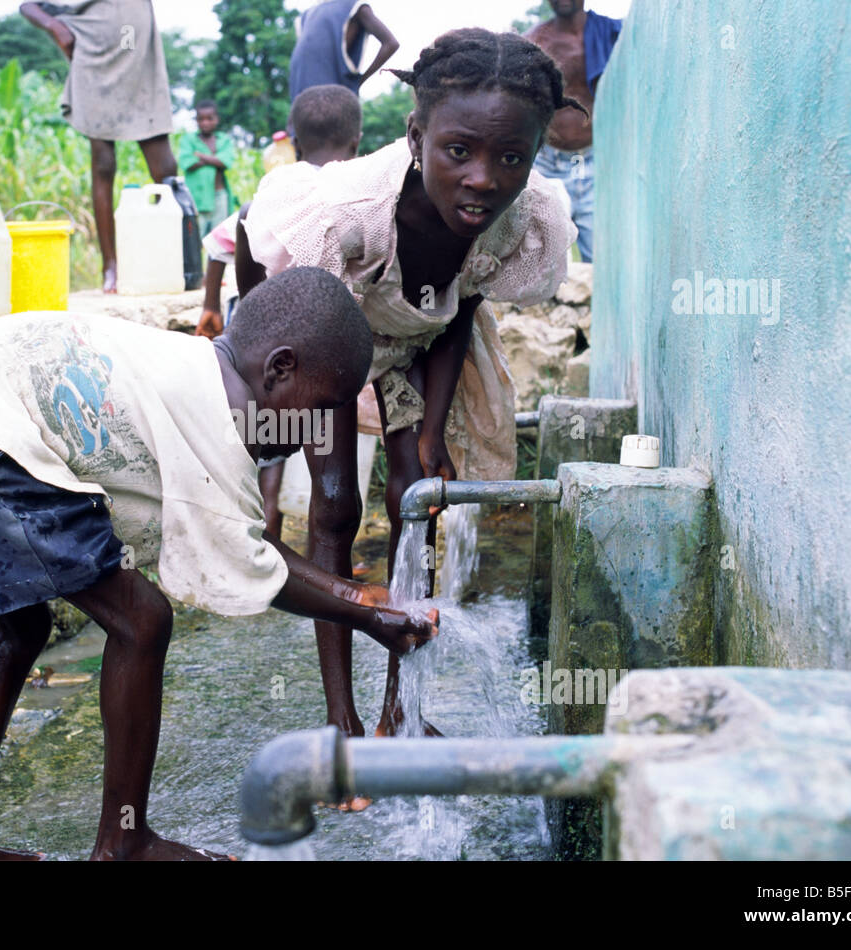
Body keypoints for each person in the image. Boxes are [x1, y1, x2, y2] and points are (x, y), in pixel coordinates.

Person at [0, 267, 439, 861]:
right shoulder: (213, 420)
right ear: (279, 369)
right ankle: (124, 842)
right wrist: (364, 609)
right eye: (318, 409)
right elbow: (250, 562)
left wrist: (360, 601)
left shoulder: (189, 365)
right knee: (141, 619)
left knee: (24, 625)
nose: (308, 437)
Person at [238, 29, 580, 740]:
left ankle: (405, 708)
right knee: (333, 504)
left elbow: (461, 308)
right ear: (417, 135)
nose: (484, 178)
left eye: (511, 157)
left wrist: (429, 433)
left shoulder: (512, 218)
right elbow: (281, 287)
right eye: (460, 152)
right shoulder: (350, 217)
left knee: (415, 501)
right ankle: (341, 722)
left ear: (535, 155)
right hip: (330, 330)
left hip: (421, 338)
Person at [195, 85, 364, 538]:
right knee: (323, 475)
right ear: (357, 142)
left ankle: (261, 540)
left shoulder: (279, 192)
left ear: (293, 139)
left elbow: (222, 241)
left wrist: (218, 306)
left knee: (263, 447)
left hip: (265, 356)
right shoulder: (355, 201)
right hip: (311, 359)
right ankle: (278, 542)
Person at [20, 0, 180, 292]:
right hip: (94, 57)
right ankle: (111, 266)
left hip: (133, 48)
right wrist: (55, 26)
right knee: (103, 162)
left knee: (165, 166)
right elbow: (28, 6)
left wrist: (128, 41)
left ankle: (176, 256)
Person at [524, 0, 623, 263]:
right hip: (547, 162)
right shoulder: (534, 42)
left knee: (604, 260)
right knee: (539, 259)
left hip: (597, 160)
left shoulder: (612, 36)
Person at [289, 0, 400, 102]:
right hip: (325, 103)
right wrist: (358, 83)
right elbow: (391, 43)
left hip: (305, 104)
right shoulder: (307, 16)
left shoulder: (308, 16)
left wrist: (359, 82)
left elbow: (391, 44)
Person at [179, 100, 235, 237]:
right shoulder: (188, 140)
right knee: (195, 239)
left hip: (220, 196)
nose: (205, 123)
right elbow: (187, 163)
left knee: (220, 240)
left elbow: (225, 162)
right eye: (201, 119)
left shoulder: (223, 140)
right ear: (196, 121)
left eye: (210, 119)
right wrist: (214, 159)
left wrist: (200, 156)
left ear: (217, 119)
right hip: (196, 197)